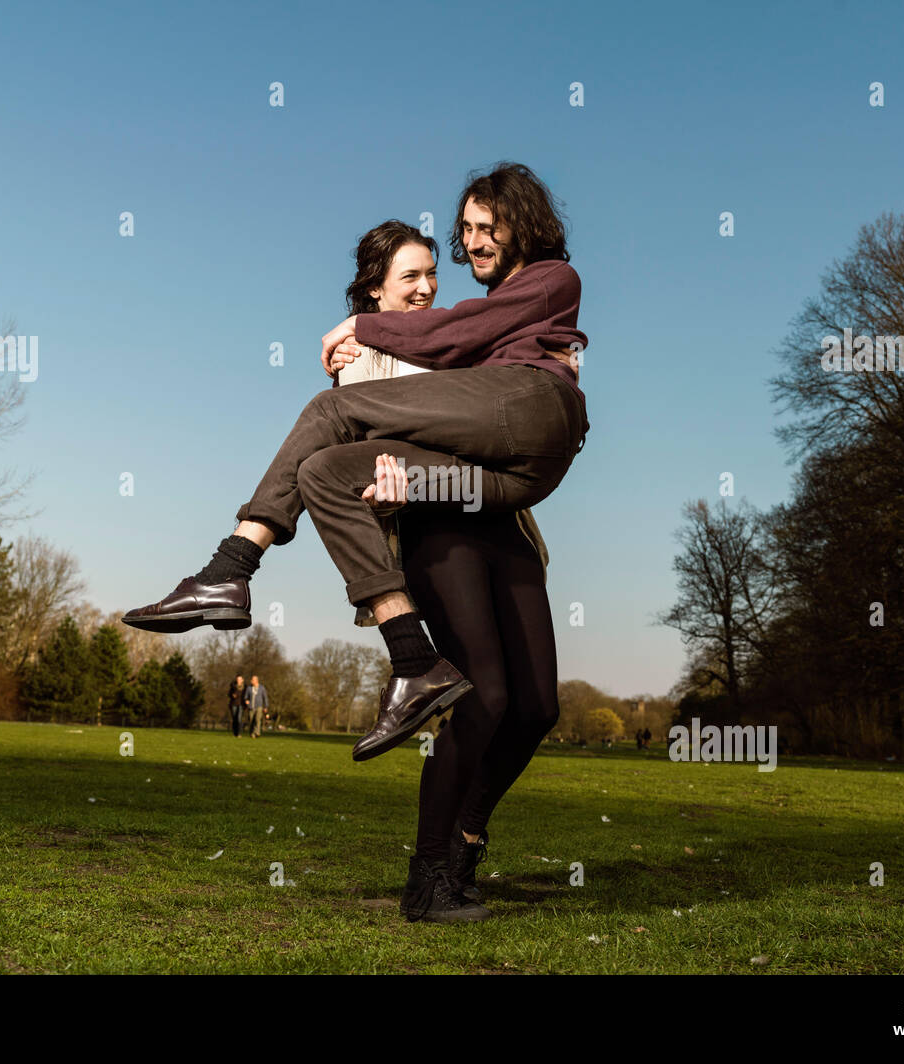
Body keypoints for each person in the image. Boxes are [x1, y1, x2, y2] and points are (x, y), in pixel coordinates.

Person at [123, 163, 589, 766]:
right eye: (466, 229)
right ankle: (413, 660)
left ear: (521, 222)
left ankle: (230, 566)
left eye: (486, 227)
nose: (471, 241)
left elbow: (453, 335)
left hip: (527, 423)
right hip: (495, 478)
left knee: (330, 408)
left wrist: (360, 326)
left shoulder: (553, 278)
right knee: (324, 474)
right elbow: (456, 350)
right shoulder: (461, 330)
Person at [332, 219, 570, 924]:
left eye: (433, 273)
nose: (428, 287)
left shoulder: (466, 334)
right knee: (483, 697)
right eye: (410, 276)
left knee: (537, 707)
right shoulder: (362, 357)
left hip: (502, 519)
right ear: (375, 288)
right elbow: (355, 454)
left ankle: (469, 835)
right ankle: (428, 874)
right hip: (437, 526)